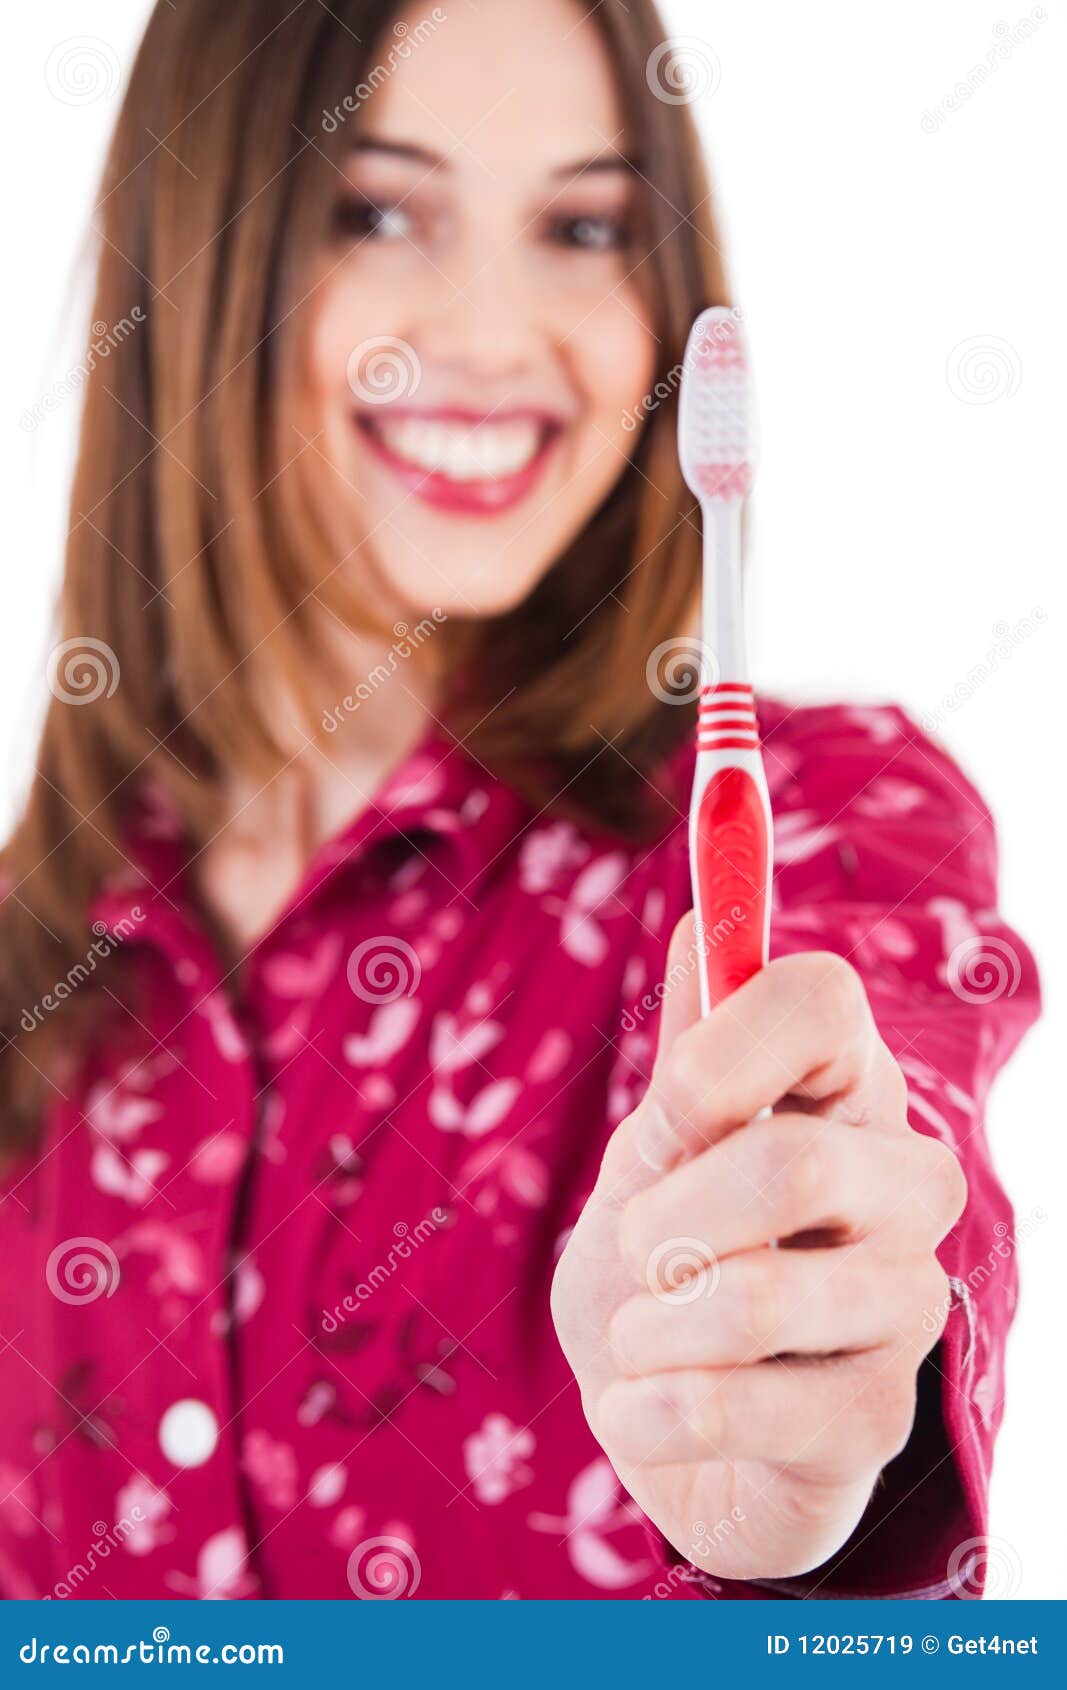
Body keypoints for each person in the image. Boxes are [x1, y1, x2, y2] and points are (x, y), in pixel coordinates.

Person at [0, 0, 1038, 1600]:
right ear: (193, 259)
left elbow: (880, 1076)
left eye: (585, 226)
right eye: (382, 208)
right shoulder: (38, 967)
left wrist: (812, 1452)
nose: (494, 332)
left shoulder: (815, 813)